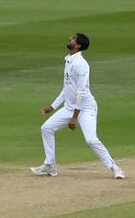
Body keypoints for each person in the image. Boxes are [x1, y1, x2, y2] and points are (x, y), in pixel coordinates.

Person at [33, 33, 124, 179]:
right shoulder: (69, 61)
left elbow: (81, 92)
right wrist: (53, 106)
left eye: (73, 38)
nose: (70, 38)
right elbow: (67, 88)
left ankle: (115, 167)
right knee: (46, 128)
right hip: (70, 108)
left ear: (78, 45)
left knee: (91, 140)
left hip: (86, 108)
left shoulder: (81, 64)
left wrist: (74, 117)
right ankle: (50, 165)